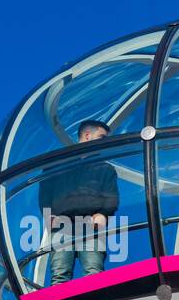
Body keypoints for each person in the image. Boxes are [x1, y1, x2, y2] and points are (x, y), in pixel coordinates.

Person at [37, 120, 118, 285]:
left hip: (91, 226)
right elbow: (45, 192)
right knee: (60, 275)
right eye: (101, 137)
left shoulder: (106, 169)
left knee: (94, 272)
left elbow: (111, 196)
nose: (105, 142)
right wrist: (49, 216)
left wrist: (104, 214)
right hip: (61, 224)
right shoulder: (56, 165)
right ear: (87, 136)